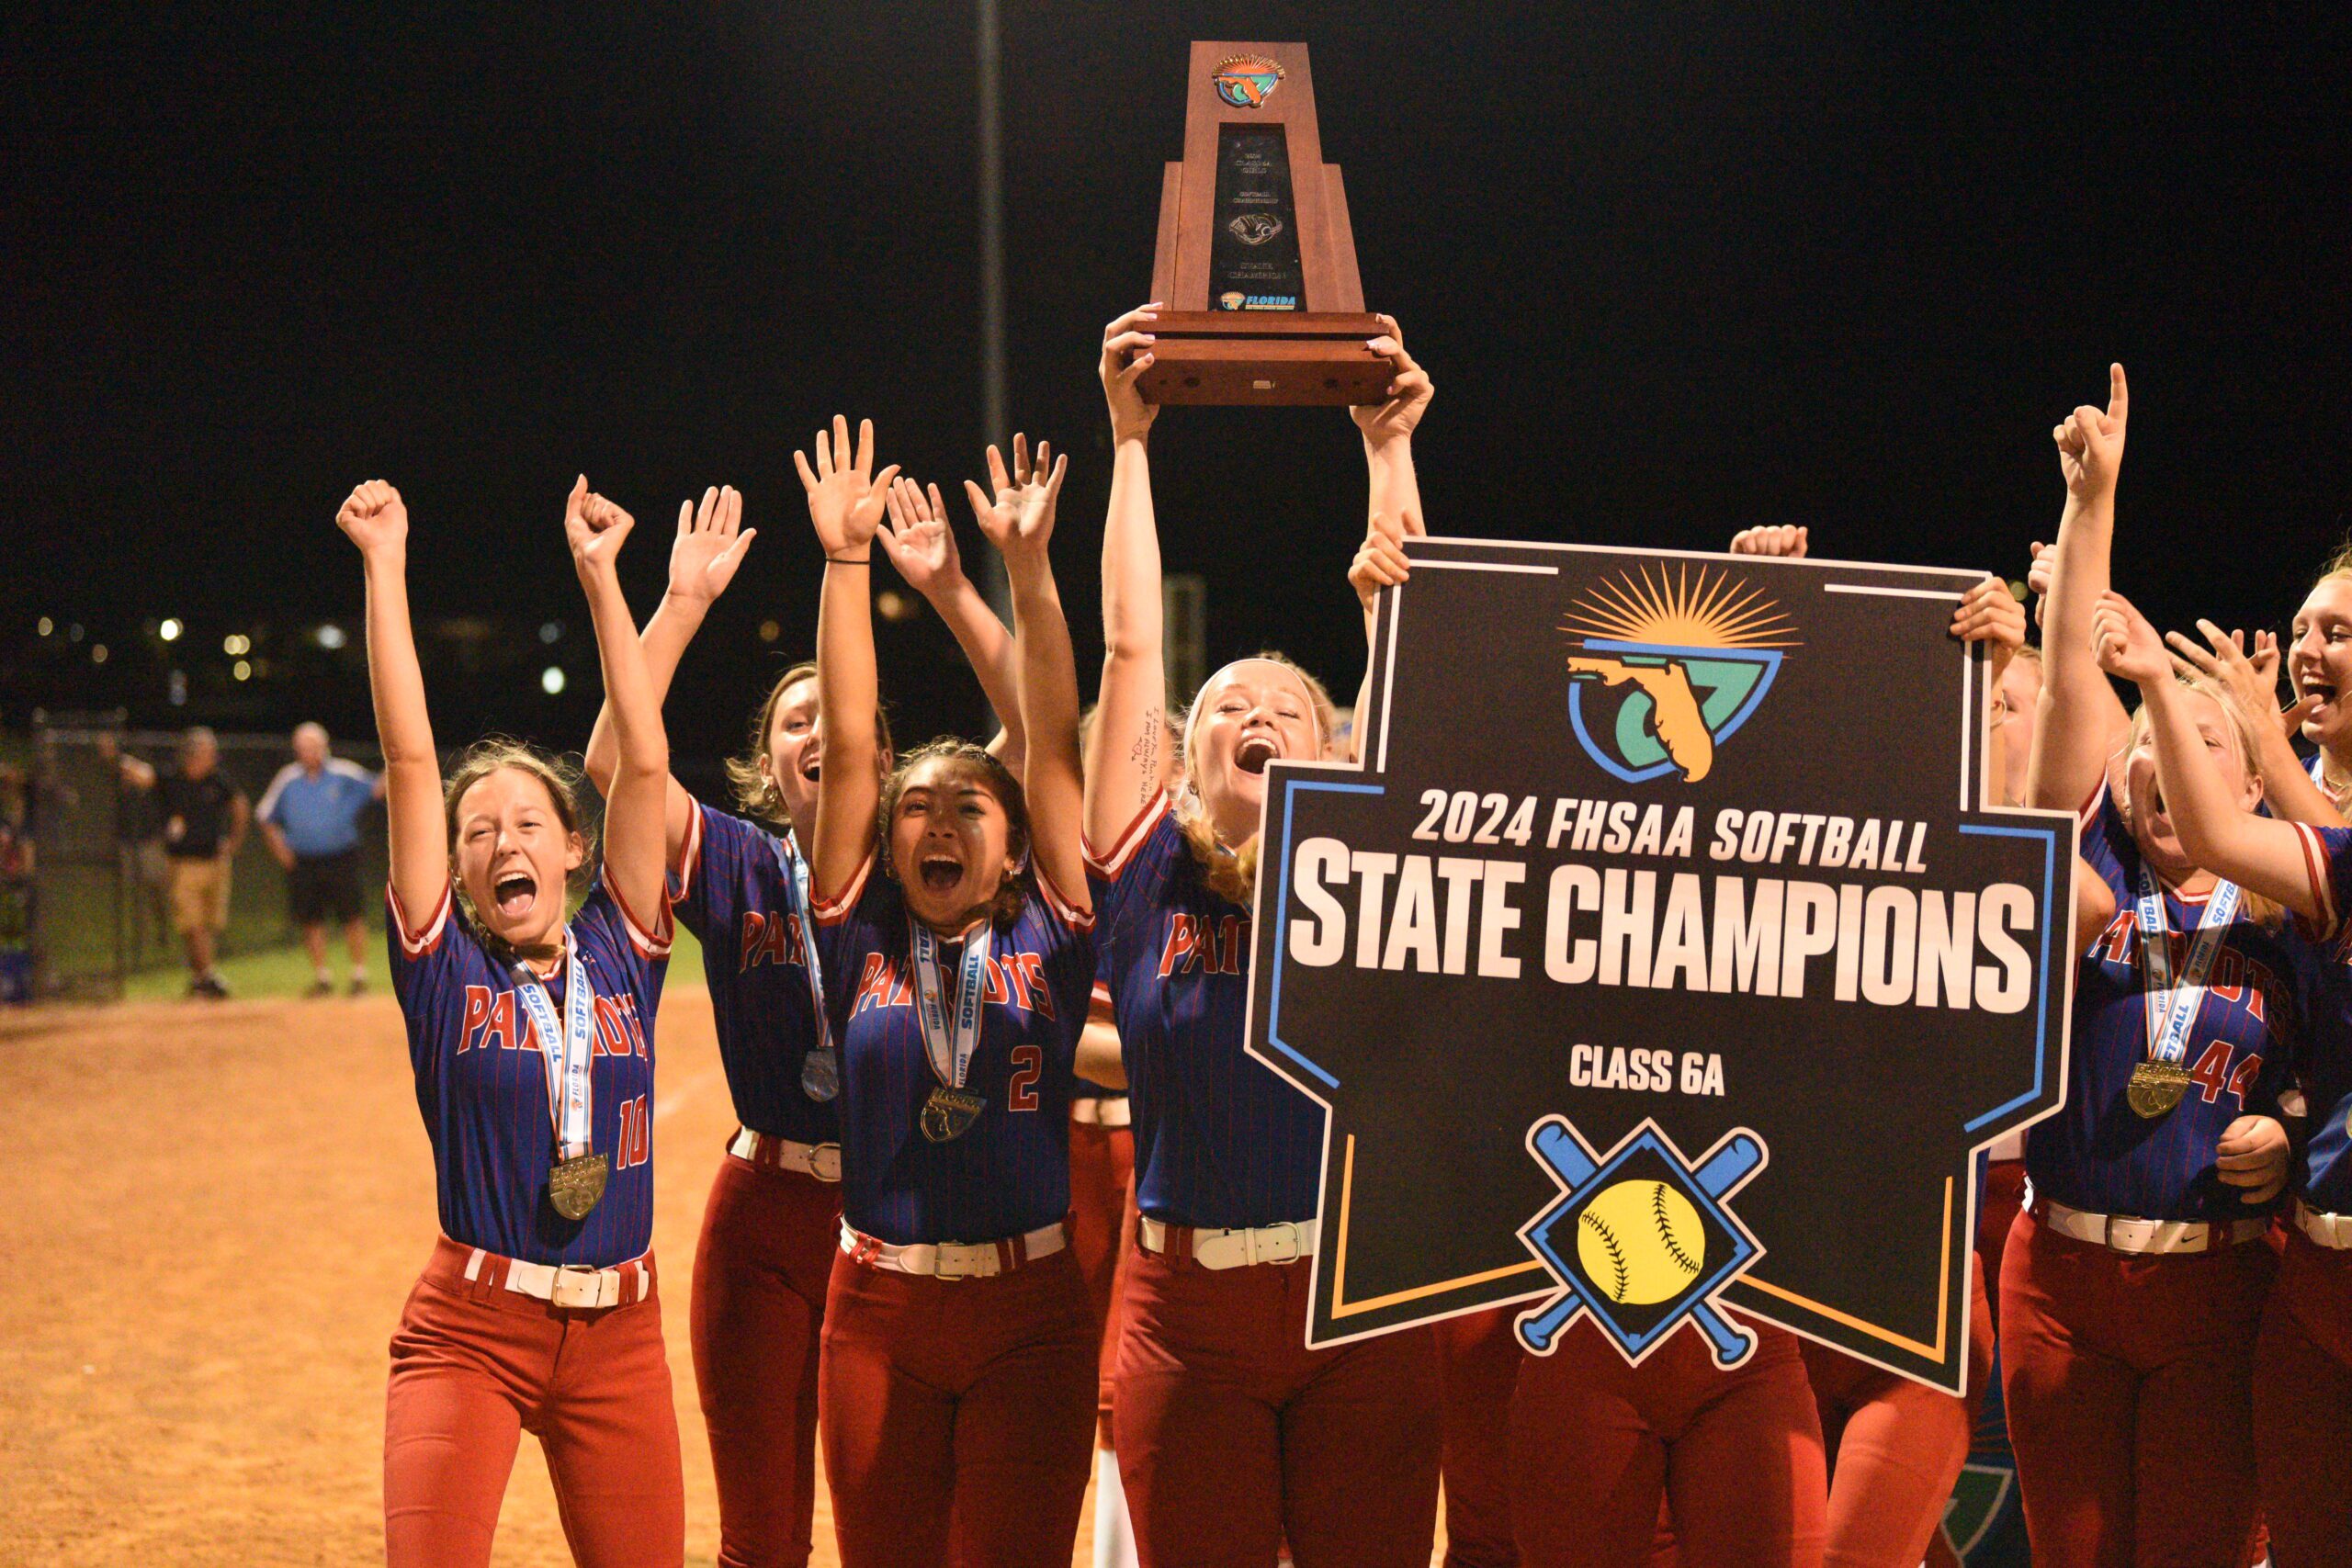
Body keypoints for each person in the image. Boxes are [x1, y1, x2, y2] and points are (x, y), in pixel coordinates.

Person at [579, 459, 1026, 1568]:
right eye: (790, 720)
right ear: (768, 763)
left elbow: (1042, 739)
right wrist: (677, 604)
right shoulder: (735, 859)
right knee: (760, 1537)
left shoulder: (932, 857)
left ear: (884, 744)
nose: (815, 727)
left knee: (908, 1525)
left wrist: (951, 590)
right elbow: (610, 762)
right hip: (767, 1212)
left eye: (836, 709)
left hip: (903, 1215)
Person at [1083, 305, 1443, 1568]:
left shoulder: (1376, 859)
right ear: (1186, 758)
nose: (1253, 709)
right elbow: (1132, 646)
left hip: (1366, 1300)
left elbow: (1412, 643)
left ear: (1337, 749)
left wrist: (1386, 449)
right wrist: (1130, 442)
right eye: (1227, 702)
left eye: (1287, 701)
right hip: (1187, 1313)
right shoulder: (1146, 879)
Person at [343, 476, 685, 1567]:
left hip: (622, 1339)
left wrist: (602, 582)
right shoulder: (443, 971)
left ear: (573, 849)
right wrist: (385, 565)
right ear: (457, 869)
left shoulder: (624, 958)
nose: (502, 843)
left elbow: (644, 760)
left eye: (528, 822)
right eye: (478, 831)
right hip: (469, 1332)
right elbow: (407, 759)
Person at [2009, 365, 2294, 1567]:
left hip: (2221, 1293)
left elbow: (2334, 1068)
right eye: (2148, 738)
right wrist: (2092, 502)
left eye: (2204, 735)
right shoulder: (2085, 861)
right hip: (2057, 1282)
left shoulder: (2288, 894)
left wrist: (2285, 1121)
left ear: (2247, 778)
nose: (2163, 762)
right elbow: (2076, 676)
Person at [804, 419, 1101, 1567]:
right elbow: (846, 735)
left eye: (969, 807)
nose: (935, 819)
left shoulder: (1052, 924)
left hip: (1032, 1314)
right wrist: (845, 565)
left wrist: (1022, 572)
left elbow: (1050, 734)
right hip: (876, 1313)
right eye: (916, 806)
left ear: (1017, 847)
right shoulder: (859, 931)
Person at [1720, 523, 2025, 1568]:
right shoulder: (1745, 878)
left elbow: (2064, 894)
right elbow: (1708, 798)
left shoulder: (1971, 872)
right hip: (1772, 1298)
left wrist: (1994, 678)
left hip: (1911, 1310)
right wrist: (1762, 634)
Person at [2090, 586, 2352, 1565]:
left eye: (2337, 632)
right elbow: (2215, 835)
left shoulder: (2316, 830)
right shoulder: (2314, 844)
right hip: (2317, 1273)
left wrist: (2260, 750)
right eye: (2300, 631)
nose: (2303, 651)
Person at [119, 726, 249, 997]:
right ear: (193, 754)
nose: (214, 756)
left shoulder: (218, 781)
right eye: (208, 751)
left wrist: (234, 842)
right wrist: (117, 758)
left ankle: (201, 977)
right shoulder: (171, 778)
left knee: (208, 924)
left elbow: (240, 805)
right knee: (193, 923)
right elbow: (143, 774)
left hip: (216, 861)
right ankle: (208, 976)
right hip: (183, 863)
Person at [257, 721, 384, 995]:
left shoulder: (343, 772)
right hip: (304, 861)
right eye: (303, 748)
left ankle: (359, 974)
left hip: (342, 857)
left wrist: (399, 764)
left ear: (324, 746)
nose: (309, 753)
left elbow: (376, 788)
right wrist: (282, 852)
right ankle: (322, 977)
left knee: (352, 915)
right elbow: (265, 816)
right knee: (311, 919)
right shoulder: (287, 778)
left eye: (313, 747)